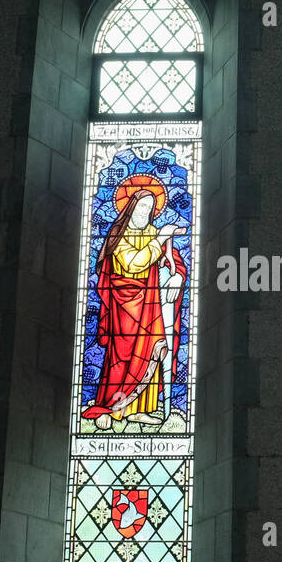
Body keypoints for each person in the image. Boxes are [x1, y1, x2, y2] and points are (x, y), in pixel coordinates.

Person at [82, 178, 186, 427]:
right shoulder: (120, 235)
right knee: (122, 354)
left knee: (149, 350)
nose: (146, 212)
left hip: (150, 305)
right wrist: (160, 239)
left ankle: (140, 408)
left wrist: (178, 278)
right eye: (141, 207)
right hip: (125, 305)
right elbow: (133, 263)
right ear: (130, 207)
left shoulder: (153, 233)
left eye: (150, 208)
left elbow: (175, 262)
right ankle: (111, 407)